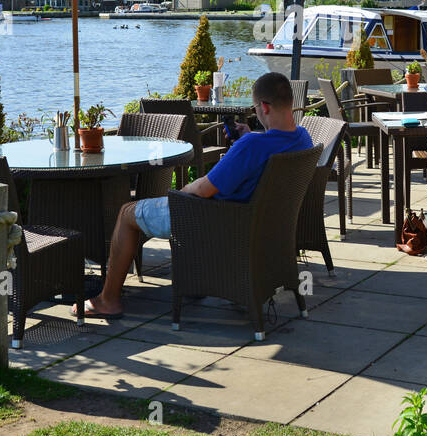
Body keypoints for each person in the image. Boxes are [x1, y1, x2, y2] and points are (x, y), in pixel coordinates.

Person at [79, 72, 313, 319]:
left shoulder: (252, 147)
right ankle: (194, 280)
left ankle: (108, 300)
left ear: (264, 107)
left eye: (256, 110)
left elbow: (204, 189)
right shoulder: (303, 139)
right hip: (261, 230)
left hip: (217, 222)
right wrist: (249, 136)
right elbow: (268, 148)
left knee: (127, 213)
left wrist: (178, 195)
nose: (256, 114)